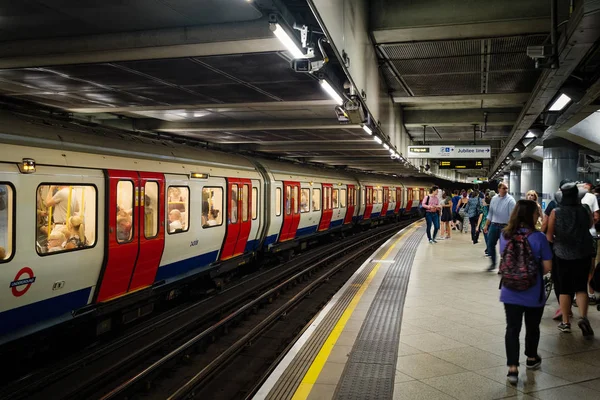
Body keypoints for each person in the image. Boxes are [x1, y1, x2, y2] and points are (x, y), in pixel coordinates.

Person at [500, 200, 552, 385]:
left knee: (512, 328)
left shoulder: (504, 235)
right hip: (533, 291)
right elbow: (546, 268)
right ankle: (531, 358)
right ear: (531, 216)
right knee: (532, 327)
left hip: (510, 291)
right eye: (536, 213)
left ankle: (512, 369)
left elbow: (504, 260)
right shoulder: (539, 238)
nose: (539, 216)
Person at [546, 182, 595, 336]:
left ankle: (566, 322)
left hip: (562, 255)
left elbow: (549, 235)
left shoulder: (556, 212)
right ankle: (584, 317)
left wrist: (559, 242)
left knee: (565, 289)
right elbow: (590, 225)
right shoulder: (585, 209)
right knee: (581, 287)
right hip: (583, 253)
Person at [483, 182, 516, 271]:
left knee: (504, 247)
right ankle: (493, 263)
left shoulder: (510, 200)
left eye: (507, 188)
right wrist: (486, 225)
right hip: (494, 225)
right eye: (504, 188)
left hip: (505, 227)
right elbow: (490, 213)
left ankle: (503, 265)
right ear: (499, 189)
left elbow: (512, 216)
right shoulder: (493, 199)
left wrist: (511, 228)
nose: (506, 190)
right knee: (490, 244)